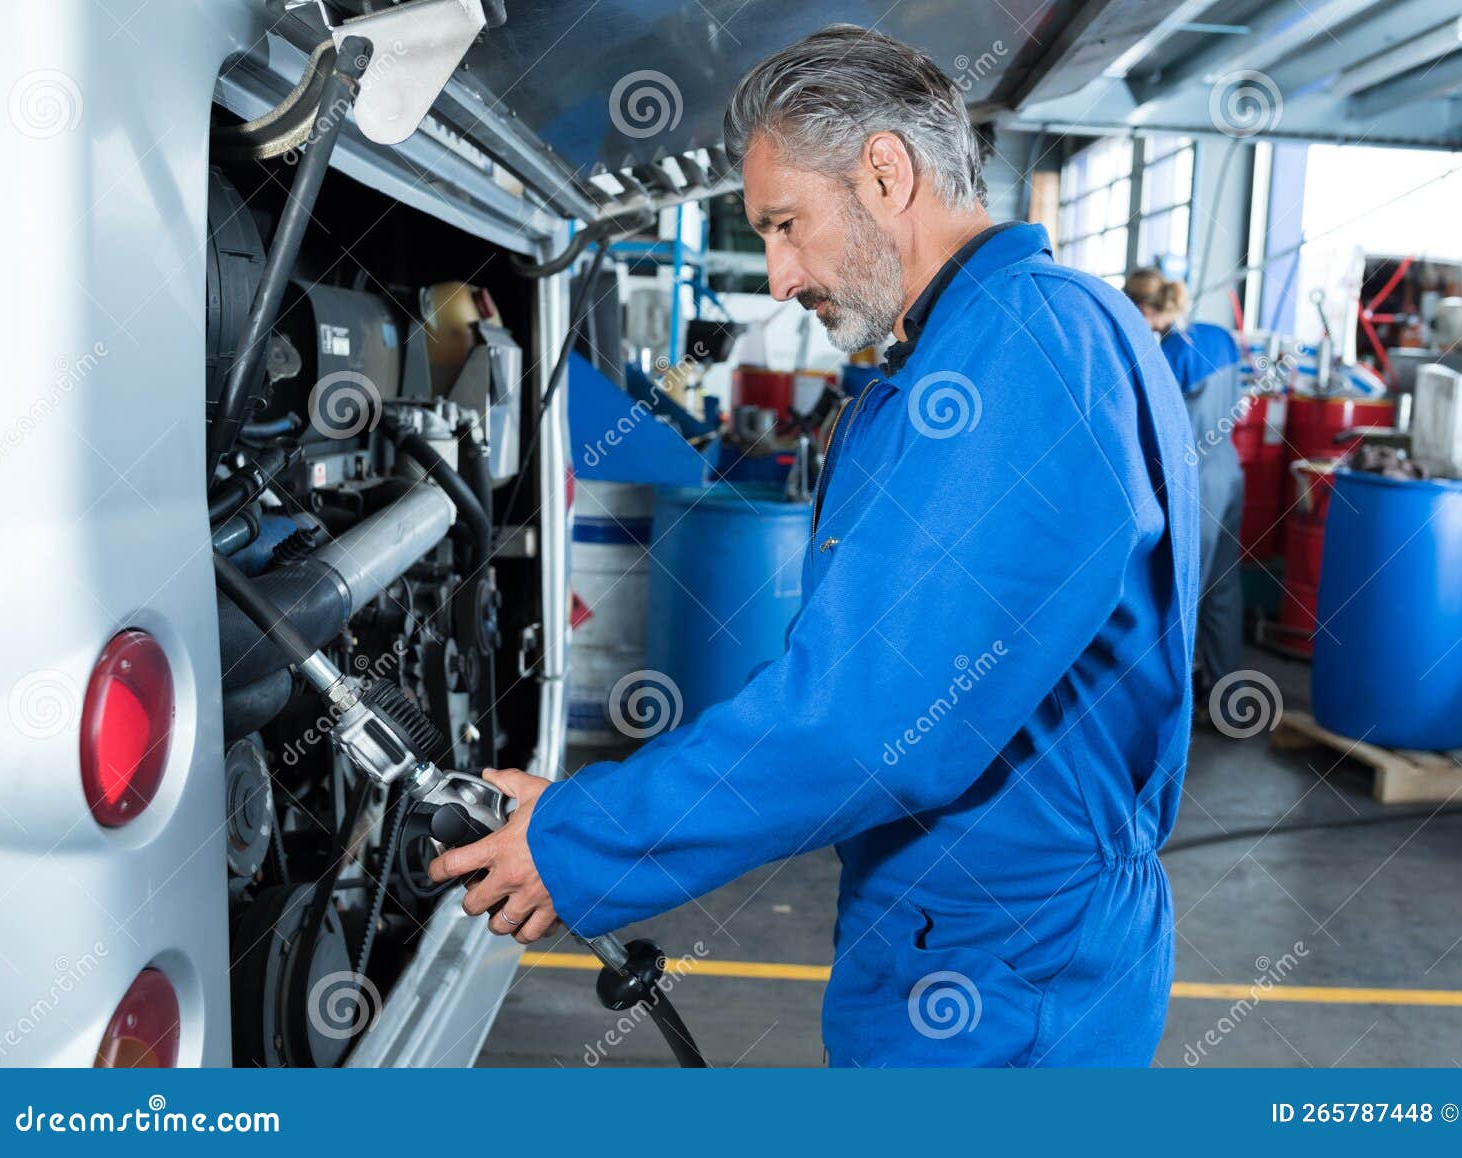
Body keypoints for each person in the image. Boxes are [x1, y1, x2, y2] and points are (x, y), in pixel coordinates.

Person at [430, 25, 1198, 1067]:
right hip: (965, 931)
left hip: (1005, 974)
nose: (779, 275)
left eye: (786, 225)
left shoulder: (1020, 350)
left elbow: (871, 719)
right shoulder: (980, 347)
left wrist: (585, 844)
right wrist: (586, 804)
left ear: (885, 172)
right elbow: (848, 667)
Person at [1126, 268, 1244, 711]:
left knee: (1183, 591)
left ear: (1144, 310)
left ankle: (1172, 704)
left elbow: (1156, 430)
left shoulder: (1170, 355)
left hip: (1195, 485)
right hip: (1230, 473)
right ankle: (1227, 693)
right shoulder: (1220, 336)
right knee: (1224, 588)